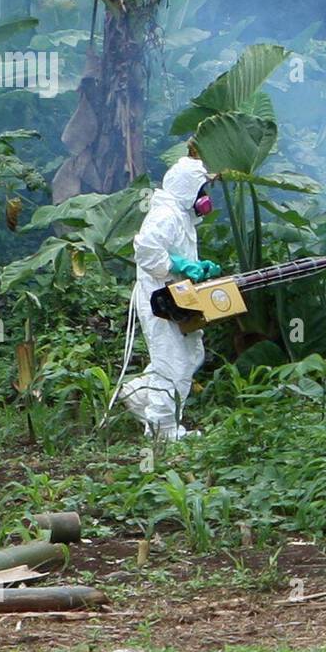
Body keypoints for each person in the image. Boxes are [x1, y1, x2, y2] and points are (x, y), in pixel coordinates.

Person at [120, 155, 222, 441]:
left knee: (190, 353)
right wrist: (179, 265)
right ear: (189, 189)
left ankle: (140, 396)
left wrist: (197, 267)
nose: (204, 197)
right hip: (159, 298)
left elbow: (174, 251)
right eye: (201, 189)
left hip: (178, 294)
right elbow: (146, 251)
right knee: (172, 360)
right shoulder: (165, 215)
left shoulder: (181, 215)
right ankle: (162, 432)